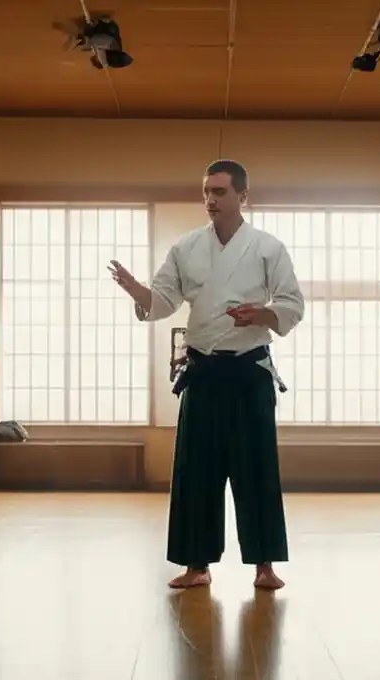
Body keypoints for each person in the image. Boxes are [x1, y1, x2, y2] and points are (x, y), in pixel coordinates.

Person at [108, 159, 304, 590]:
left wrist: (263, 313)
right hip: (203, 371)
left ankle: (264, 564)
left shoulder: (268, 247)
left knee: (257, 469)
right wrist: (136, 290)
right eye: (206, 192)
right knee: (197, 470)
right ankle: (196, 565)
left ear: (242, 196)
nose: (210, 200)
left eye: (219, 192)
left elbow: (292, 303)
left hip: (249, 370)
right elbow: (160, 301)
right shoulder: (187, 247)